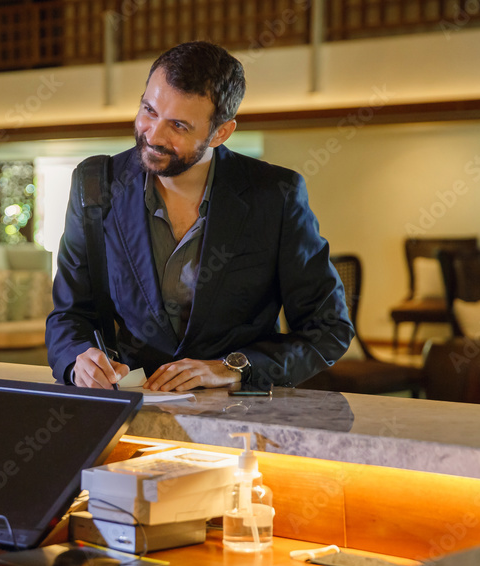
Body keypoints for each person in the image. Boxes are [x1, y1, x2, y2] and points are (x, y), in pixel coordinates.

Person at [47, 41, 353, 391]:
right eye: (149, 110)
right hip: (129, 411)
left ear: (220, 133)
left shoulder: (275, 194)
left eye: (178, 125)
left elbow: (328, 329)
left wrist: (235, 368)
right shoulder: (94, 183)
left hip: (239, 422)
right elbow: (69, 314)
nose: (153, 135)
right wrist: (77, 360)